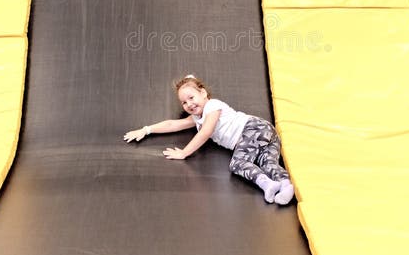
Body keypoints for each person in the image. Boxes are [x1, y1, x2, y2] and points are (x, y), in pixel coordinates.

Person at [124, 74, 294, 206]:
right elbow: (172, 124)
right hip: (265, 134)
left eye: (191, 98)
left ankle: (267, 185)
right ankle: (286, 186)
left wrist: (184, 152)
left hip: (253, 129)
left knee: (238, 163)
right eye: (184, 102)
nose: (189, 104)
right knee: (267, 162)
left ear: (203, 93)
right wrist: (146, 130)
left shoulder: (212, 106)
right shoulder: (196, 118)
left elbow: (206, 132)